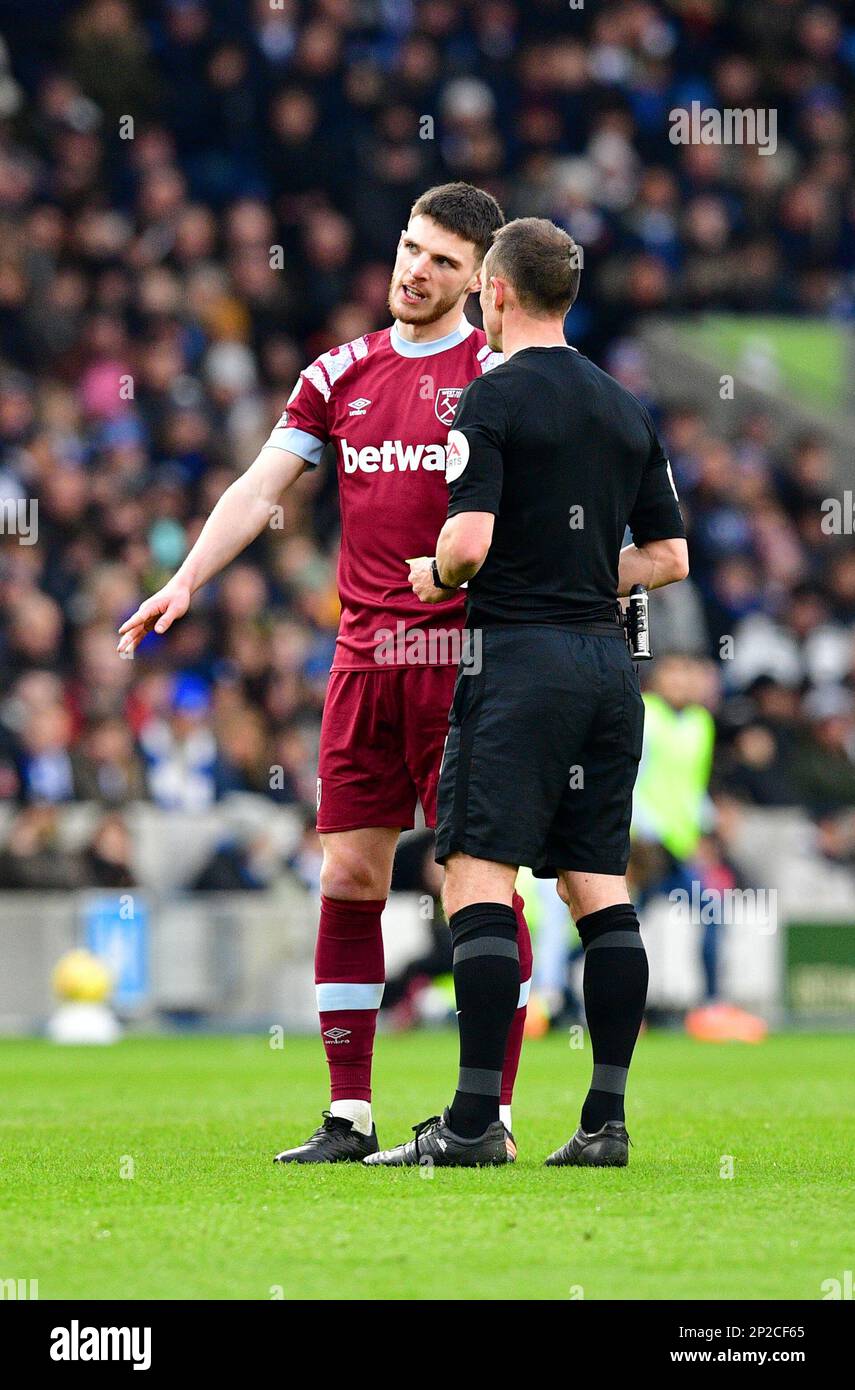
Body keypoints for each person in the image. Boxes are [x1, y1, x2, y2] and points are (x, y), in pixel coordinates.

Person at [117, 183, 534, 1163]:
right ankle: (349, 1114)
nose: (413, 270)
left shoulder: (500, 375)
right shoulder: (339, 373)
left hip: (462, 660)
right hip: (363, 658)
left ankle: (491, 1112)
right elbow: (261, 485)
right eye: (408, 248)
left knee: (473, 884)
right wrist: (184, 579)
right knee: (349, 873)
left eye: (440, 260)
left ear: (479, 281)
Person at [366, 217, 688, 1169]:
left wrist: (431, 574)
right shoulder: (627, 408)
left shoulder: (489, 400)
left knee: (474, 874)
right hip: (604, 667)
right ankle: (605, 1122)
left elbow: (465, 547)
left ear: (493, 293)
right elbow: (667, 558)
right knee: (598, 888)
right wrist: (589, 570)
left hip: (516, 663)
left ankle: (470, 1125)